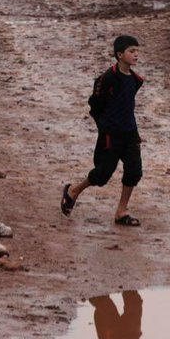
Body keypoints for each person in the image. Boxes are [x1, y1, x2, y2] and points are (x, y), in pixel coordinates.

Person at [61, 34, 144, 227]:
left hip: (130, 132)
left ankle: (122, 211)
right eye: (132, 51)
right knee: (102, 174)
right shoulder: (107, 78)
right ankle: (73, 191)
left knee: (134, 171)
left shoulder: (135, 80)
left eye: (137, 51)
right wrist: (104, 126)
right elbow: (95, 104)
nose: (136, 55)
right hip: (110, 134)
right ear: (119, 54)